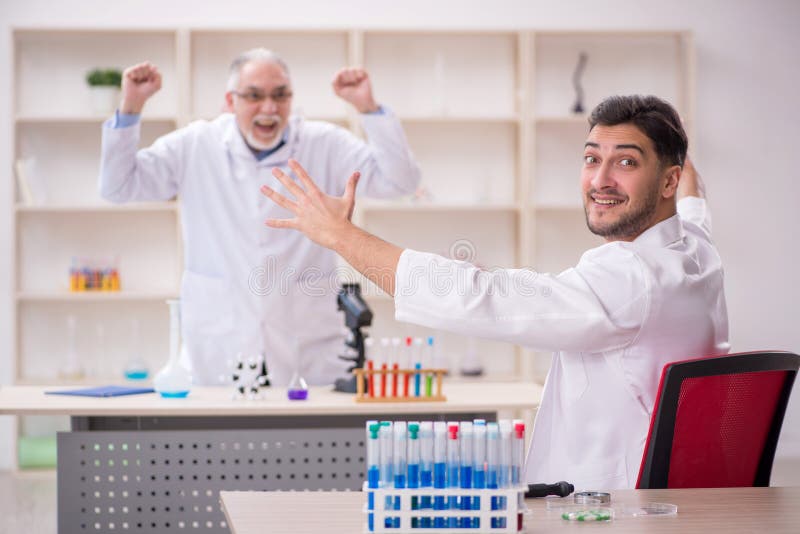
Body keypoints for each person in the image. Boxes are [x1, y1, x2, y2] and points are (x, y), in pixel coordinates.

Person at [259, 95, 730, 489]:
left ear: (665, 179)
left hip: (602, 508)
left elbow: (480, 298)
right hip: (672, 499)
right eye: (592, 158)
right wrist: (679, 156)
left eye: (626, 161)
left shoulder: (629, 278)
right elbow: (692, 203)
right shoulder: (696, 250)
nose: (600, 179)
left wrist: (341, 236)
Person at [99, 49, 421, 386]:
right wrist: (131, 109)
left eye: (280, 96)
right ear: (230, 100)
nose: (269, 108)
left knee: (310, 433)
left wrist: (368, 108)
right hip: (219, 338)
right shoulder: (195, 144)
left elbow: (401, 181)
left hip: (306, 342)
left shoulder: (323, 143)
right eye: (254, 96)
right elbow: (117, 187)